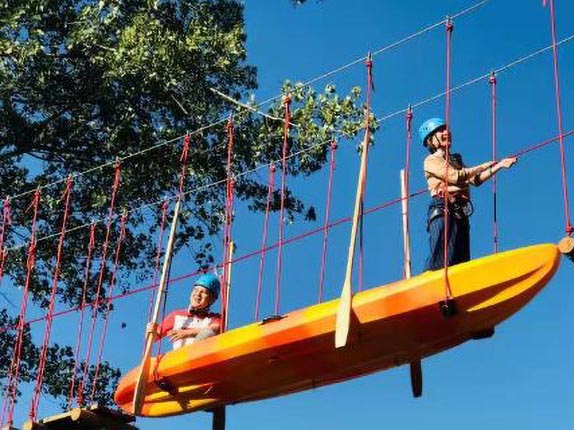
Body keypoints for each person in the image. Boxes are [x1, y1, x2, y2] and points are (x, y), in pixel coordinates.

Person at [419, 117, 517, 271]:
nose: (447, 133)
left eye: (447, 130)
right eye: (441, 131)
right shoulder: (430, 160)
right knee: (442, 258)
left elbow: (475, 180)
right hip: (444, 207)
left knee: (460, 260)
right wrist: (484, 166)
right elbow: (455, 177)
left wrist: (499, 166)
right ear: (431, 139)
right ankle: (431, 280)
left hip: (460, 211)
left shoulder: (455, 160)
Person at [148, 273, 222, 350]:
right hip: (180, 358)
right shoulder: (176, 315)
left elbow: (213, 330)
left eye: (204, 292)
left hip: (203, 358)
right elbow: (154, 338)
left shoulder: (215, 318)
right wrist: (150, 332)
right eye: (196, 290)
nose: (198, 294)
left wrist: (187, 333)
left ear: (212, 300)